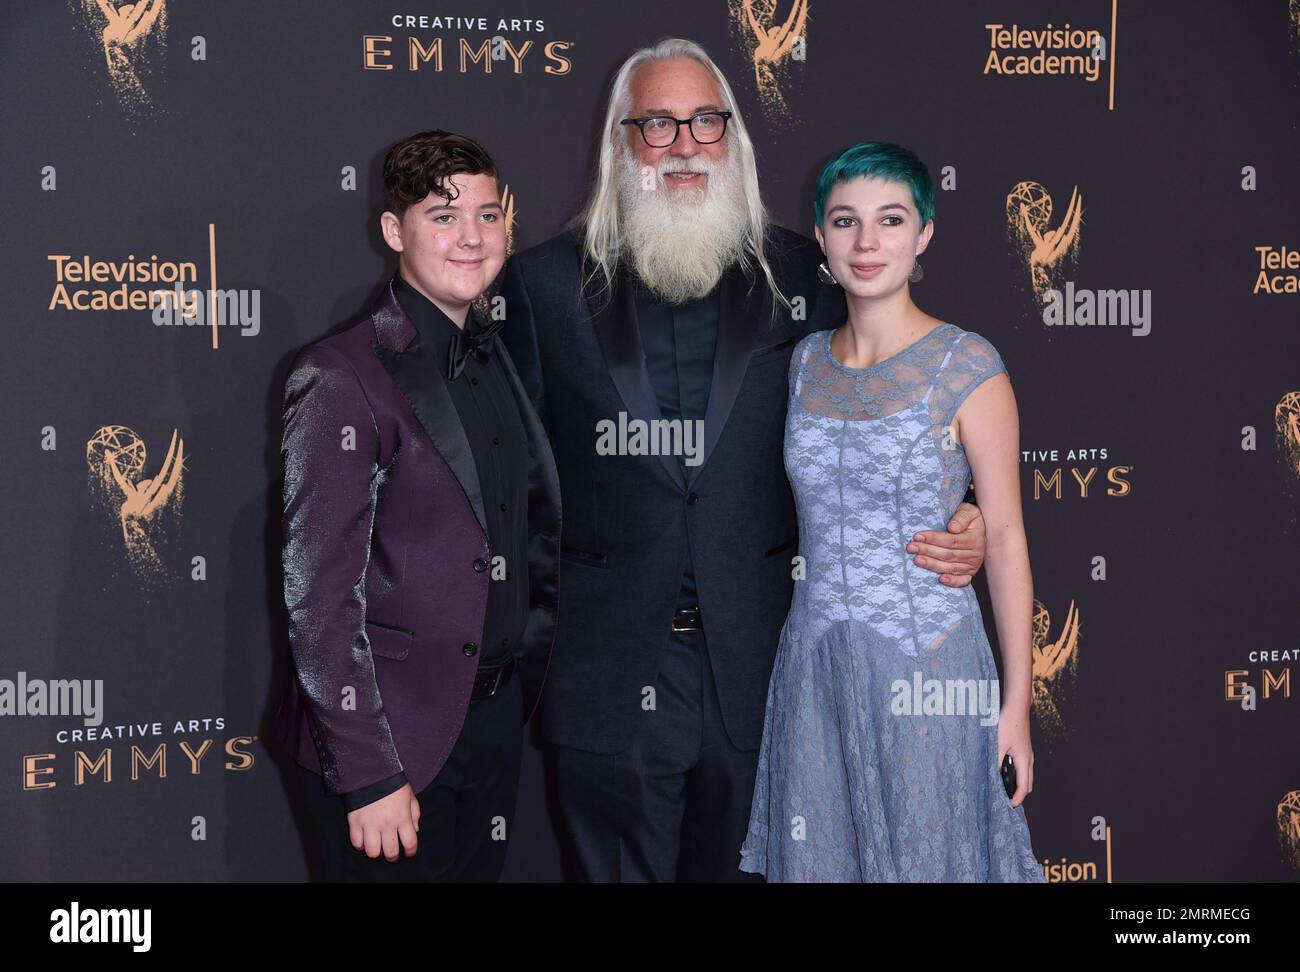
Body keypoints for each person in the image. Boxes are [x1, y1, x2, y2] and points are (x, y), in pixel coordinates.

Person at [498, 38, 990, 882]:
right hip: (609, 674)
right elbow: (506, 472)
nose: (685, 144)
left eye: (706, 121)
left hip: (766, 675)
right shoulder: (542, 288)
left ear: (733, 139)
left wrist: (967, 507)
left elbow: (899, 397)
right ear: (621, 143)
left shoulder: (808, 272)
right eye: (657, 124)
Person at [739, 142, 1045, 882]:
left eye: (891, 220)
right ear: (820, 235)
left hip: (929, 676)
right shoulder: (802, 362)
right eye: (846, 221)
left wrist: (1017, 707)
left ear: (924, 235)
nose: (867, 243)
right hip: (815, 678)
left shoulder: (967, 365)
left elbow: (1002, 538)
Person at [276, 130, 561, 882]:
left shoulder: (497, 353)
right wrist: (368, 774)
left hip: (491, 724)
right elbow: (319, 596)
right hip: (389, 744)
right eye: (443, 216)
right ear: (394, 230)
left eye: (489, 215)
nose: (471, 237)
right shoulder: (340, 376)